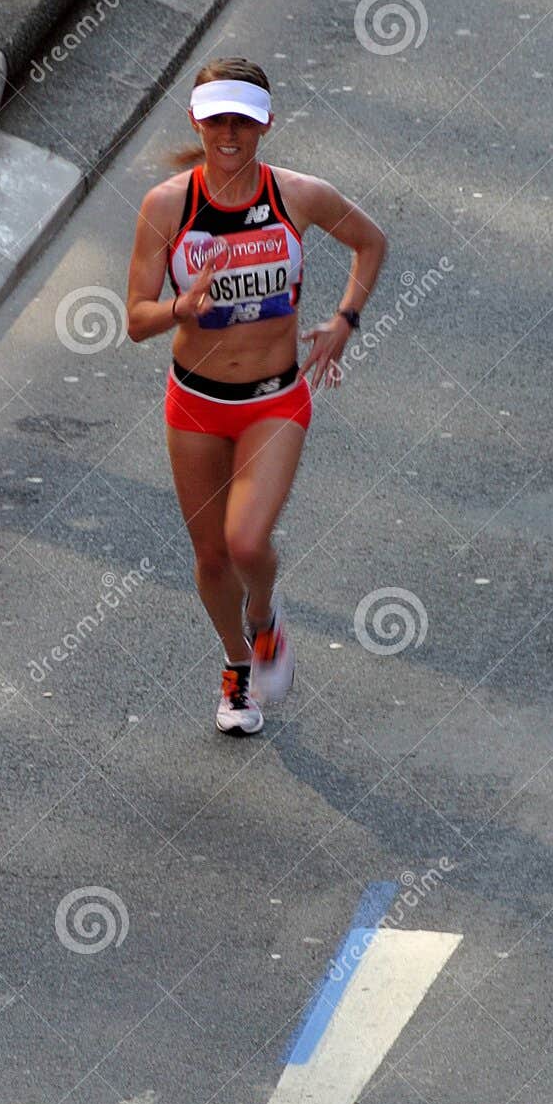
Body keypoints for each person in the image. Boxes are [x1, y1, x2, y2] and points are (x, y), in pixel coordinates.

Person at [126, 58, 387, 734]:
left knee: (246, 543)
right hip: (195, 402)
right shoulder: (167, 207)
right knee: (211, 558)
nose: (229, 133)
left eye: (242, 120)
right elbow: (135, 320)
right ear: (196, 121)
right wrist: (181, 307)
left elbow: (370, 243)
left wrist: (345, 321)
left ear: (265, 123)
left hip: (274, 399)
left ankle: (263, 617)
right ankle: (237, 667)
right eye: (217, 120)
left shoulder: (299, 196)